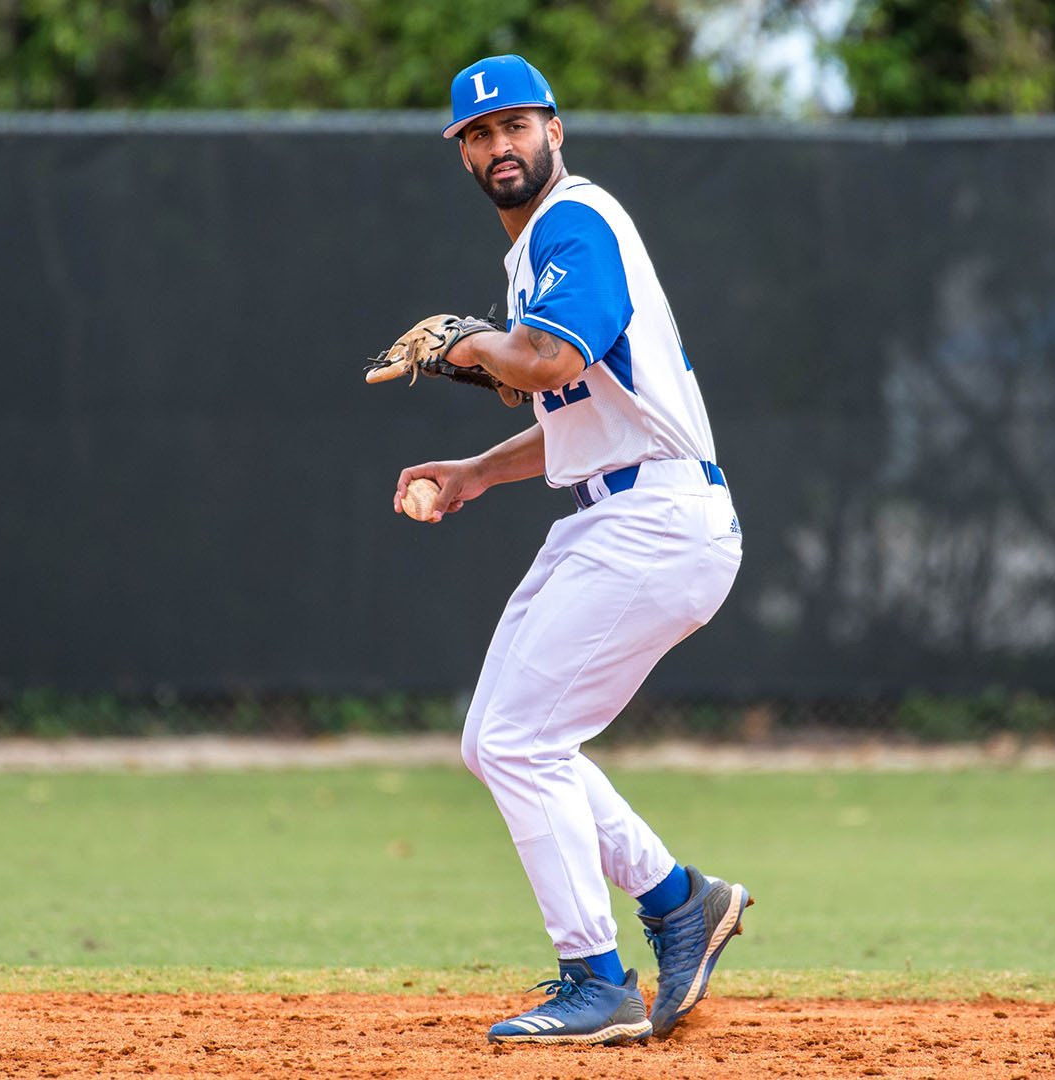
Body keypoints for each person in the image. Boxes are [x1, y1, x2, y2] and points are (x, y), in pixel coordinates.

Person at [392, 54, 751, 1046]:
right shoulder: (538, 258)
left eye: (515, 125)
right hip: (620, 513)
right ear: (462, 156)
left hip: (657, 522)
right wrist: (474, 470)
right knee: (494, 741)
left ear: (557, 130)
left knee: (518, 741)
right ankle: (680, 901)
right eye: (477, 133)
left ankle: (595, 979)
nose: (498, 145)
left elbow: (545, 360)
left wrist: (465, 343)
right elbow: (580, 413)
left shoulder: (573, 223)